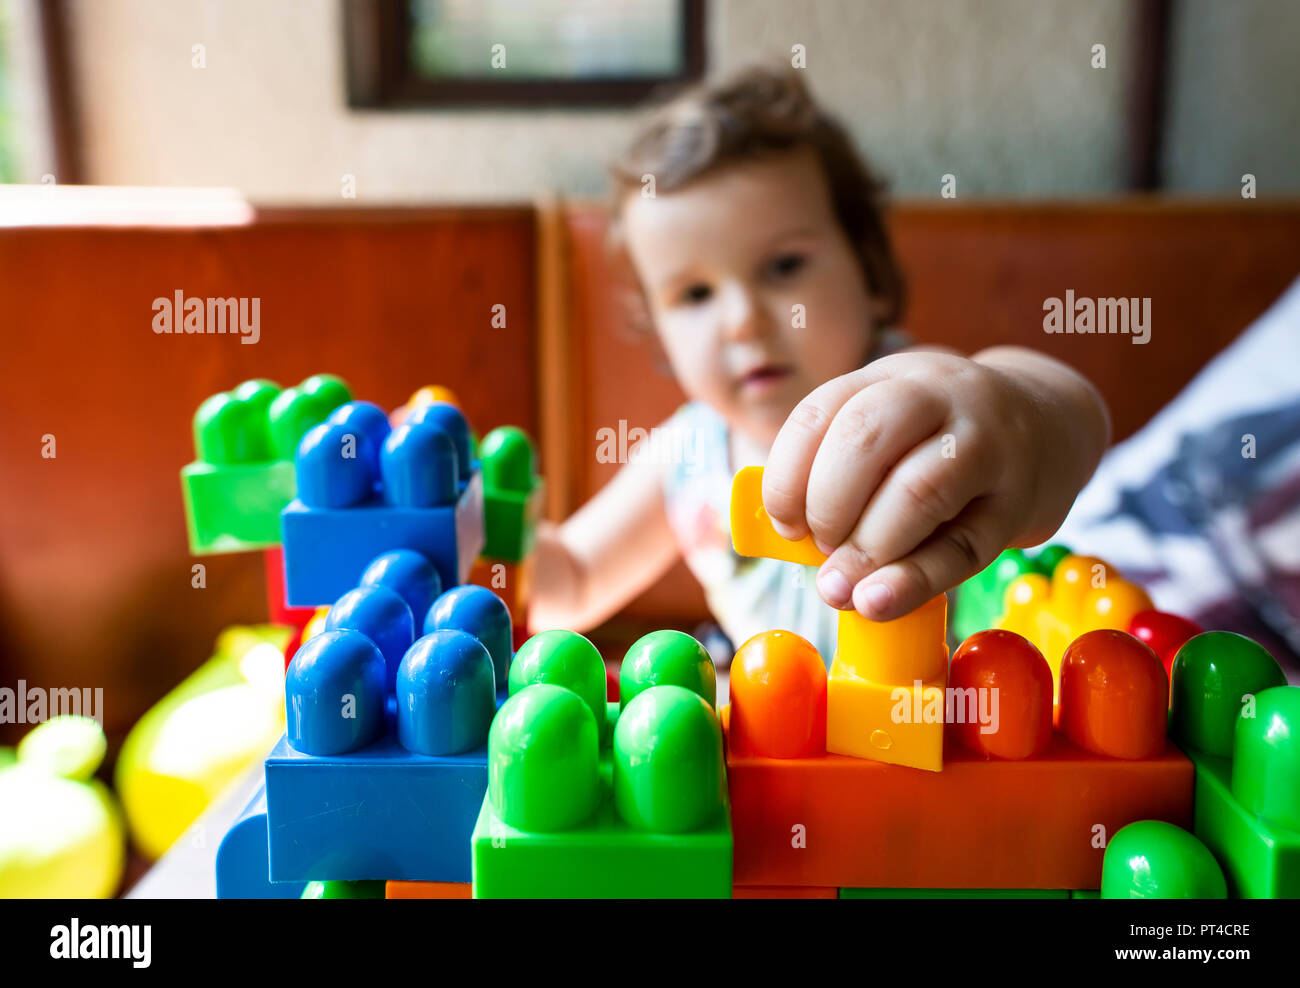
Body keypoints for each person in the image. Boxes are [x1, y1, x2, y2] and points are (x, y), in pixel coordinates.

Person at [528, 66, 1108, 665]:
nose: (742, 321)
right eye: (695, 295)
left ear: (869, 272)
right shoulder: (687, 456)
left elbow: (1071, 412)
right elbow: (571, 579)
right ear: (658, 332)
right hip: (784, 745)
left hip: (942, 733)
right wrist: (479, 538)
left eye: (783, 267)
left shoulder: (917, 395)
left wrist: (1016, 413)